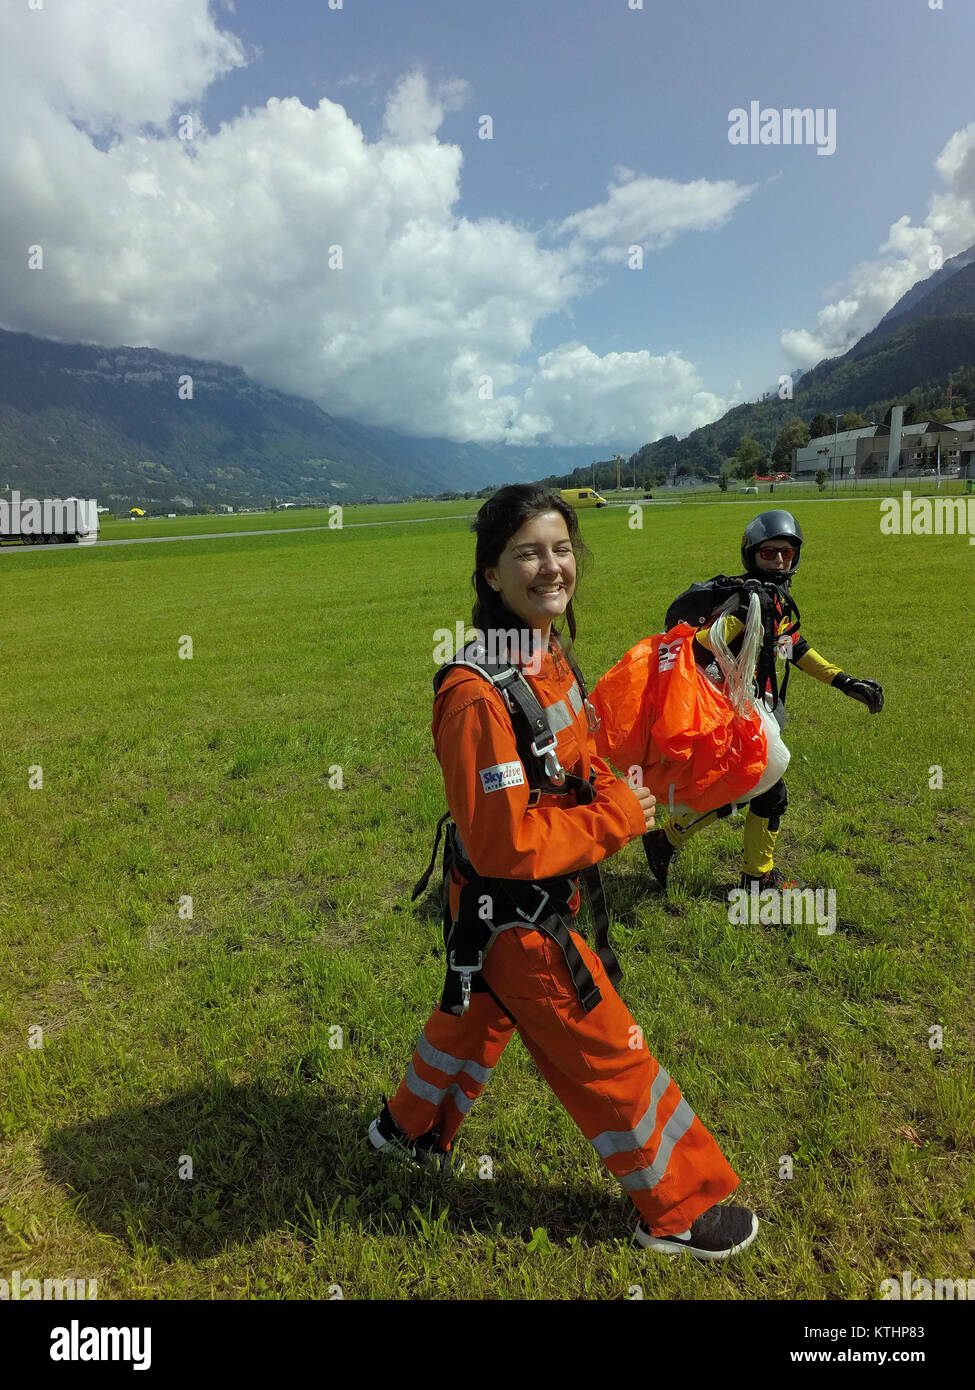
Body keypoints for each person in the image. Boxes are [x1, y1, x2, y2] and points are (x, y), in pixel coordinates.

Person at [367, 484, 758, 1261]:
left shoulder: (545, 658)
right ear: (489, 574)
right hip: (518, 912)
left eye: (561, 548)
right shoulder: (476, 696)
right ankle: (676, 1209)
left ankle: (406, 1128)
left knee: (473, 1012)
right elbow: (503, 843)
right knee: (607, 1051)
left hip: (519, 905)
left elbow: (581, 757)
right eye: (528, 553)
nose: (551, 566)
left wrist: (620, 792)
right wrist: (620, 820)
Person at [643, 510, 884, 893]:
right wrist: (734, 628)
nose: (780, 560)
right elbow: (701, 648)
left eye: (787, 552)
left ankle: (674, 843)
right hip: (728, 714)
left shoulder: (774, 601)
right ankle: (748, 874)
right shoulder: (746, 601)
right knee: (763, 791)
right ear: (751, 554)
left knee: (757, 790)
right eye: (769, 552)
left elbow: (794, 646)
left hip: (752, 710)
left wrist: (844, 680)